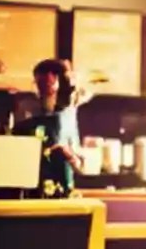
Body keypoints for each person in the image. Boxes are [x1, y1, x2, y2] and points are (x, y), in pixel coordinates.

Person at [16, 58, 92, 197]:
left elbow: (79, 164)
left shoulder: (68, 113)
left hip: (63, 185)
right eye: (39, 84)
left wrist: (70, 156)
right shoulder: (27, 109)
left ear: (58, 82)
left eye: (47, 83)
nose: (43, 89)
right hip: (33, 187)